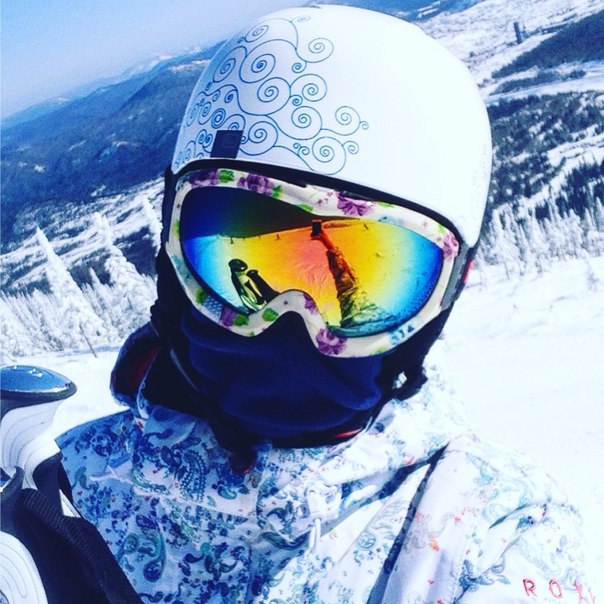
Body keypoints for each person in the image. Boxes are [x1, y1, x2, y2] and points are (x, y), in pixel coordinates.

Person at [52, 5, 596, 602]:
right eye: (243, 247)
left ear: (445, 297)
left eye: (370, 280)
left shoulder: (487, 538)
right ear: (169, 241)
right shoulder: (59, 499)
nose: (291, 320)